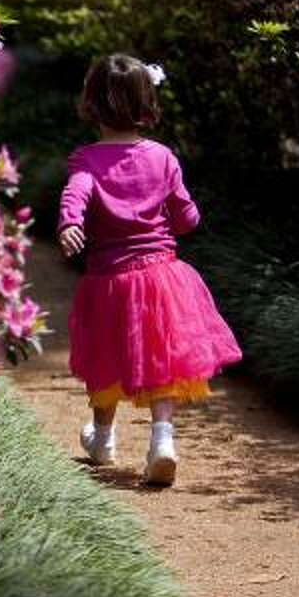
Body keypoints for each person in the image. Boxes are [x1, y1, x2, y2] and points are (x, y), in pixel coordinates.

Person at [57, 54, 241, 486]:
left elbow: (76, 195)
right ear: (147, 103)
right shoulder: (163, 157)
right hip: (162, 276)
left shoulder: (86, 160)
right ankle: (162, 441)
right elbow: (186, 218)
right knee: (162, 360)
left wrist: (70, 223)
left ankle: (102, 439)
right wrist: (184, 214)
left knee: (104, 357)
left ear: (91, 104)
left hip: (109, 279)